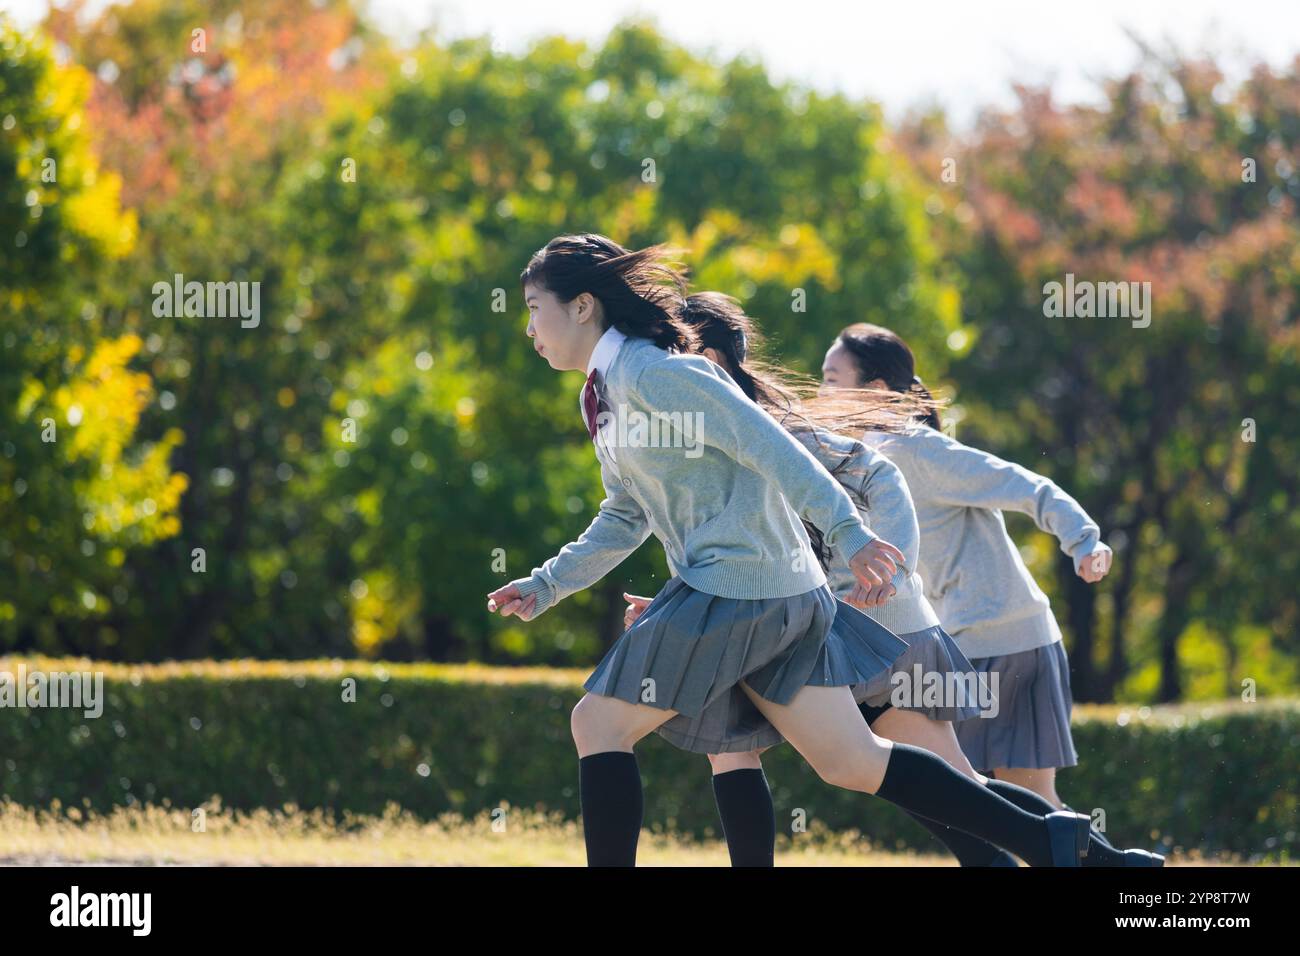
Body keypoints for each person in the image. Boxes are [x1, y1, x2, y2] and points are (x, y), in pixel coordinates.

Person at [487, 234, 1098, 867]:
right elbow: (624, 514)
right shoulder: (610, 395)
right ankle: (1051, 840)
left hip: (742, 589)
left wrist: (850, 532)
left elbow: (777, 450)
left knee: (597, 724)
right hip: (771, 593)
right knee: (852, 761)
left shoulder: (658, 374)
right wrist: (545, 584)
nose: (529, 327)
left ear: (583, 305)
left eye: (534, 307)